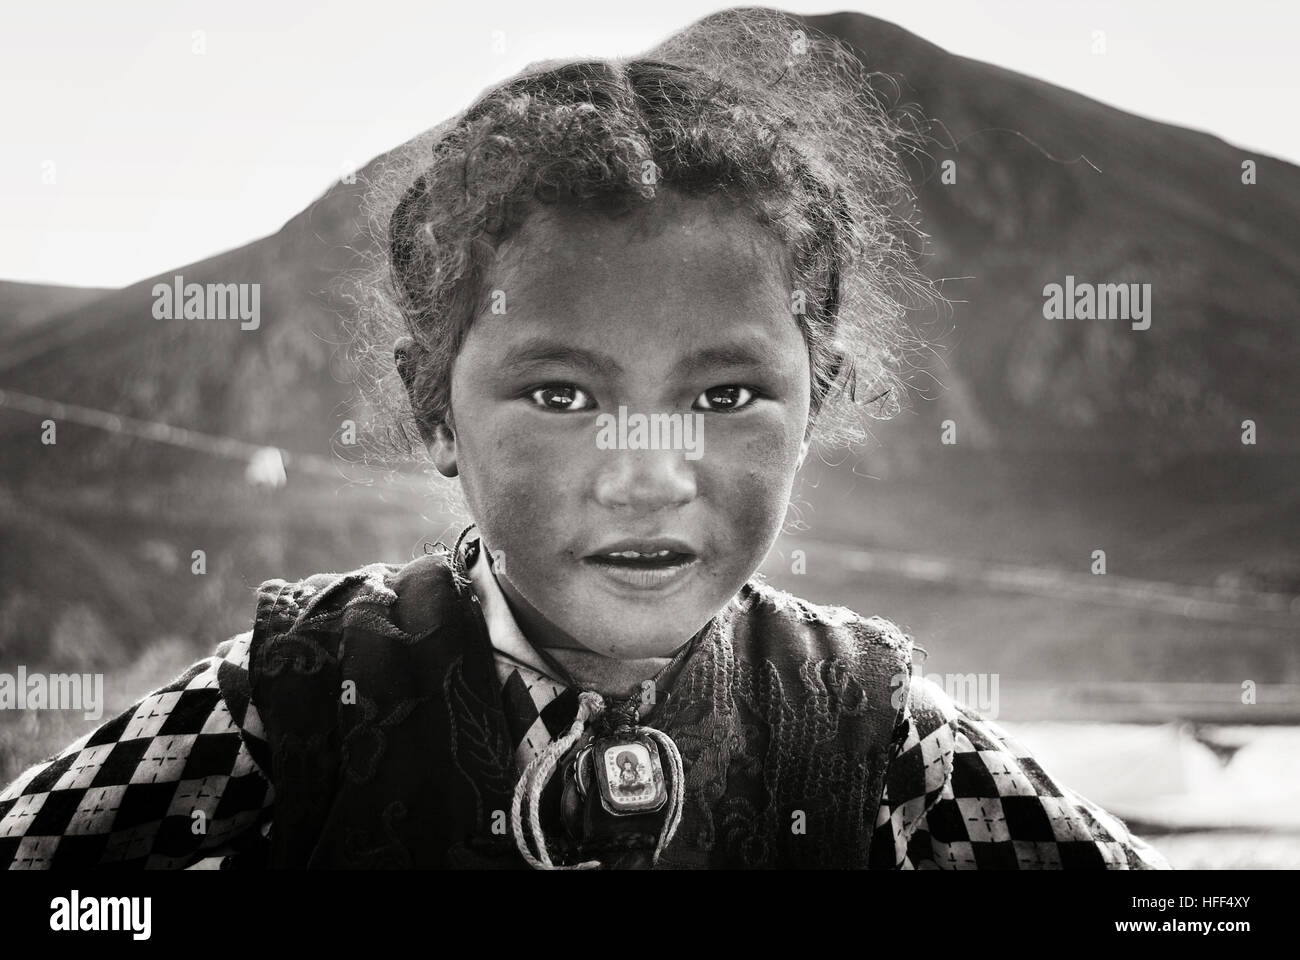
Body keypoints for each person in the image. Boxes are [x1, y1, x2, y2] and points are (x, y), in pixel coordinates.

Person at [0, 9, 1169, 870]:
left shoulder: (867, 726)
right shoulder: (297, 695)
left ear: (819, 396)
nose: (649, 474)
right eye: (562, 396)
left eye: (724, 397)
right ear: (432, 410)